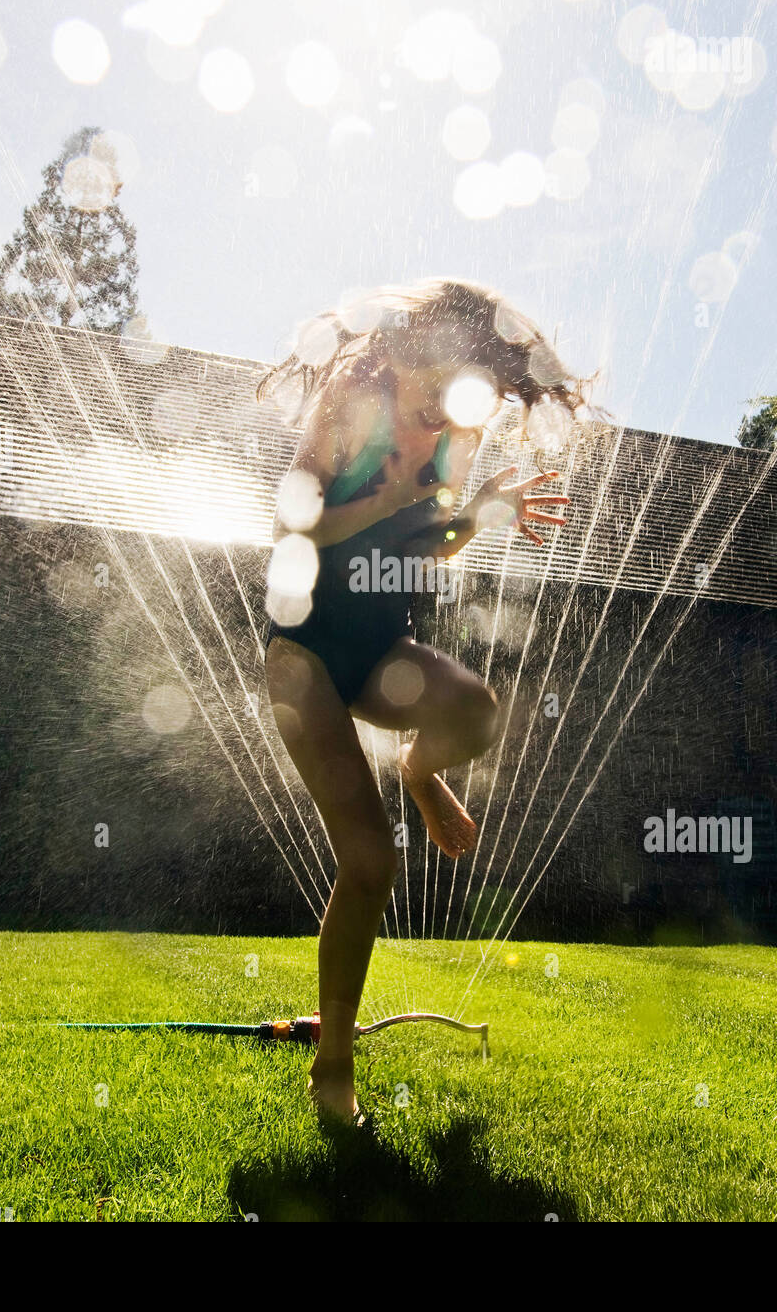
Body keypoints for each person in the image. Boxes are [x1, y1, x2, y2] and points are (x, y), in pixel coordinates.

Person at [257, 276, 588, 1125]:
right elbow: (292, 535)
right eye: (443, 386)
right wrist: (388, 496)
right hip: (303, 658)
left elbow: (422, 547)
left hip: (376, 651)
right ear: (411, 354)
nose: (451, 410)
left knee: (474, 711)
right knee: (369, 861)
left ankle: (420, 770)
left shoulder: (453, 436)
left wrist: (476, 516)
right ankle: (333, 1071)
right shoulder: (349, 409)